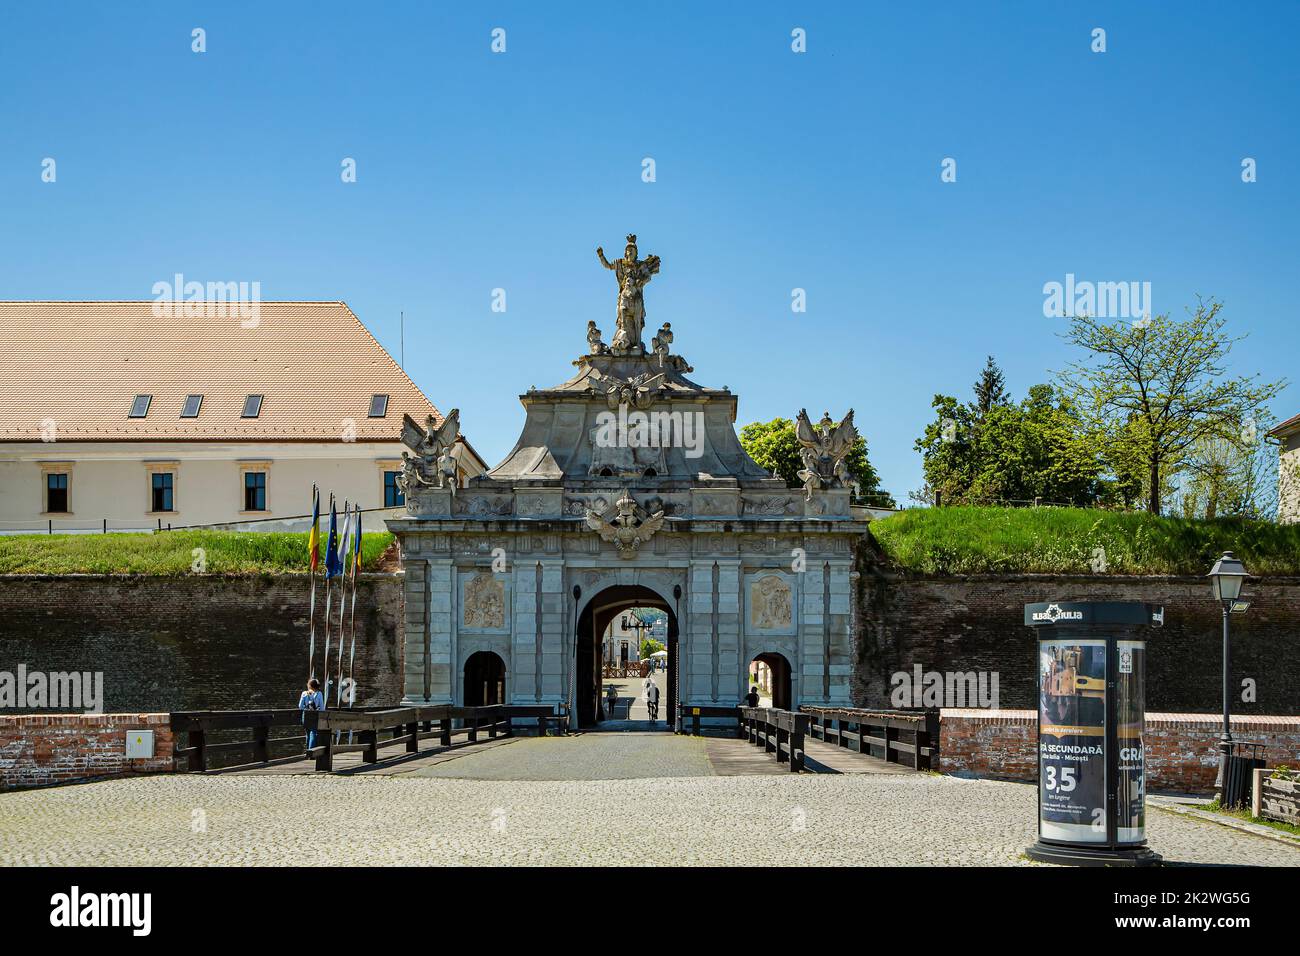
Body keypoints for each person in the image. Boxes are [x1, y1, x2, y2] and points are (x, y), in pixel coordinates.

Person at [299, 678, 324, 751]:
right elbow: (322, 708)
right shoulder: (319, 694)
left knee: (308, 734)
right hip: (314, 715)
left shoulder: (304, 693)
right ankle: (311, 753)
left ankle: (307, 752)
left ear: (310, 685)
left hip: (306, 715)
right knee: (313, 733)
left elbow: (300, 706)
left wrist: (306, 708)